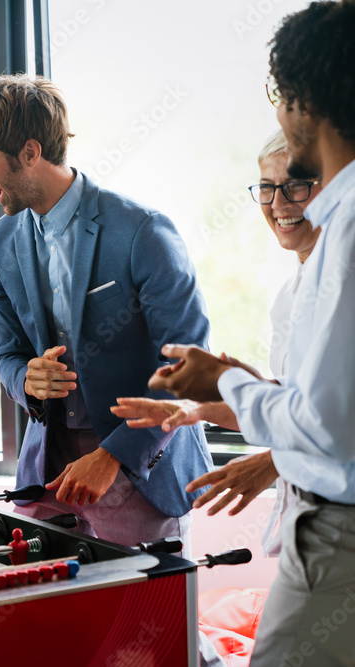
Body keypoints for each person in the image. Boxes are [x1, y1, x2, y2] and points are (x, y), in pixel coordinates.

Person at [146, 3, 355, 664]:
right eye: (265, 190)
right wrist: (216, 399)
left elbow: (323, 424)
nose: (280, 204)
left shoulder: (345, 230)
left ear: (301, 101)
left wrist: (226, 380)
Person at [0, 74, 213, 550]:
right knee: (48, 619)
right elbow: (7, 353)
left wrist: (114, 455)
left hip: (140, 471)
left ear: (30, 152)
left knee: (145, 622)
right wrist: (25, 379)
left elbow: (187, 368)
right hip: (46, 476)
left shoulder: (143, 232)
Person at [111, 130, 321, 557]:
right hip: (304, 525)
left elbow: (338, 417)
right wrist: (195, 409)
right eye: (267, 188)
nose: (279, 204)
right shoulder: (289, 294)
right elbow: (296, 408)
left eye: (296, 186)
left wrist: (274, 463)